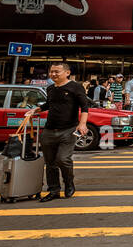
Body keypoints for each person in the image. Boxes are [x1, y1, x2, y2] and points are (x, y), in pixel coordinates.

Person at [22, 61, 90, 202]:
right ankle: (53, 190)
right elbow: (49, 104)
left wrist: (82, 124)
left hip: (68, 130)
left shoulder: (76, 87)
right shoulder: (51, 88)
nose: (53, 74)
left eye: (57, 71)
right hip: (49, 130)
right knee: (50, 162)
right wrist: (36, 109)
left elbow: (84, 107)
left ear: (67, 73)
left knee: (63, 159)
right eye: (51, 71)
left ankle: (69, 183)